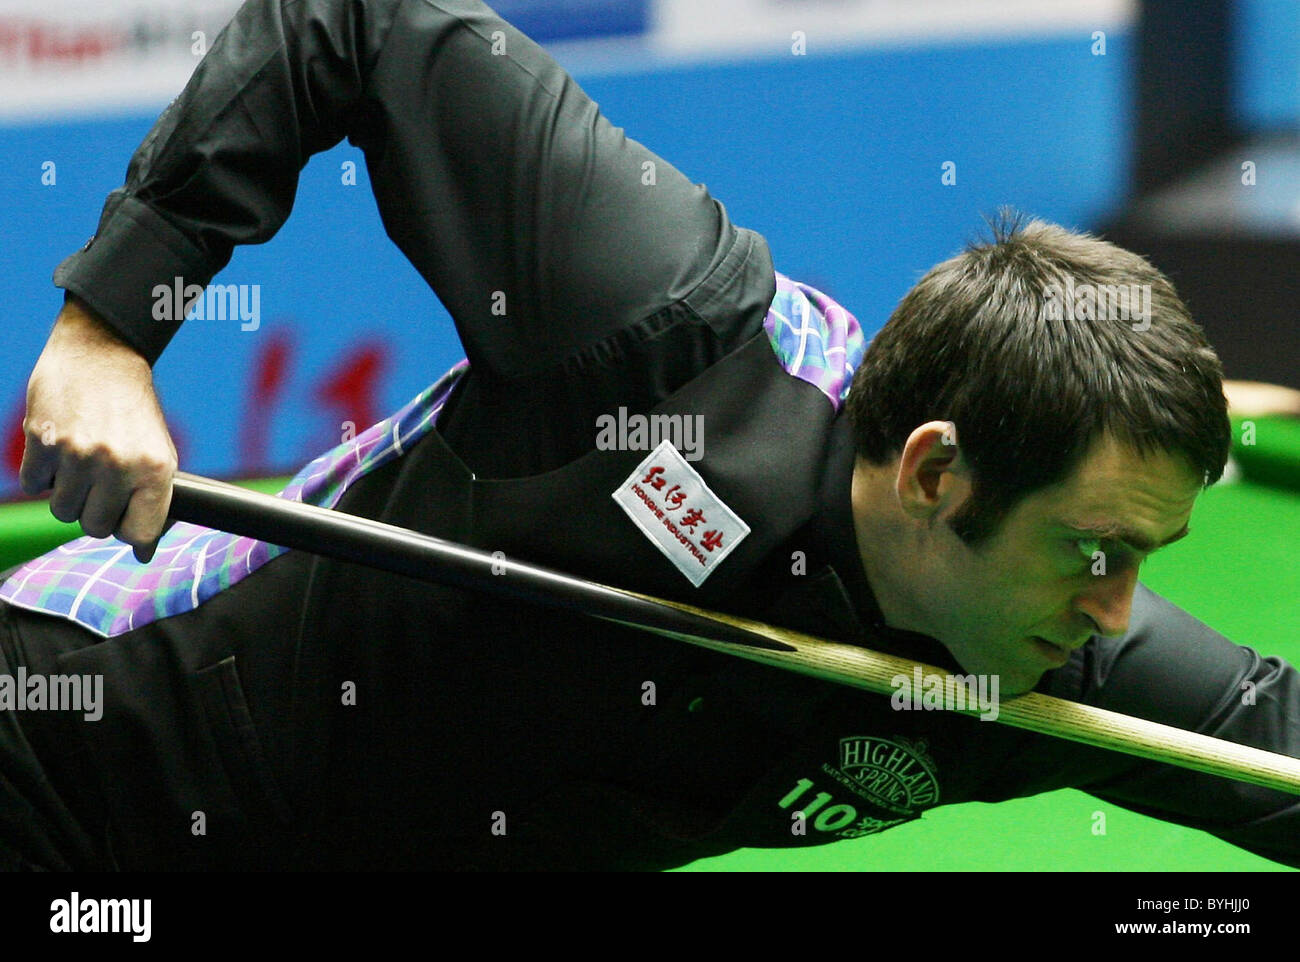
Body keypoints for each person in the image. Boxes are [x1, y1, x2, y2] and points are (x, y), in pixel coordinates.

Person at [3, 0, 1298, 871]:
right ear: (936, 473)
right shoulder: (670, 332)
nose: (1120, 610)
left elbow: (1271, 737)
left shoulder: (1043, 659)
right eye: (1093, 549)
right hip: (84, 745)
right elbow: (357, 24)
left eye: (1146, 554)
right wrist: (114, 325)